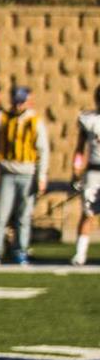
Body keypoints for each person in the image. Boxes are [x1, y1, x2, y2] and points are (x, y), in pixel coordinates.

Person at [0, 85, 49, 265]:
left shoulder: (35, 121)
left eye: (22, 102)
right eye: (16, 102)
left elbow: (43, 150)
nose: (18, 105)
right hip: (7, 173)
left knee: (23, 216)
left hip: (28, 173)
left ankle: (21, 251)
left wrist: (41, 176)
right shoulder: (4, 118)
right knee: (1, 215)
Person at [75, 87, 100, 266]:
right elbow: (79, 149)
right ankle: (80, 254)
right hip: (94, 171)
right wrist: (76, 170)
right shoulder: (89, 120)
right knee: (88, 213)